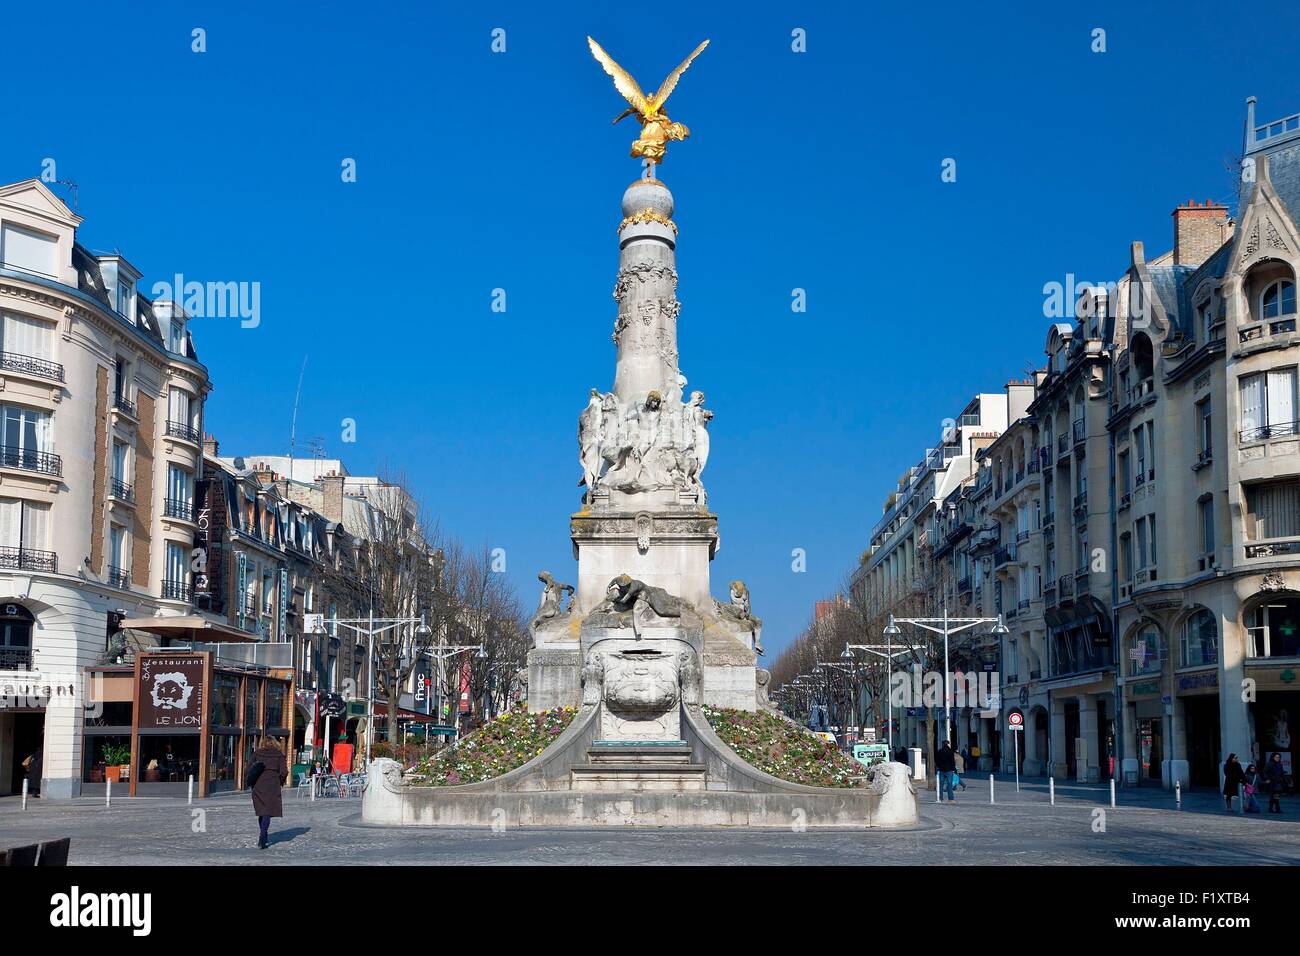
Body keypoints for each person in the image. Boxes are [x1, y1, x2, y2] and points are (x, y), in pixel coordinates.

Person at [250, 735, 288, 850]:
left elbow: (248, 768)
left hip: (258, 785)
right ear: (275, 743)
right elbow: (284, 772)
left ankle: (263, 835)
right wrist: (280, 782)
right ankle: (263, 836)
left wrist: (251, 780)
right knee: (267, 812)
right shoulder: (279, 755)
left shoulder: (257, 753)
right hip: (272, 785)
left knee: (262, 811)